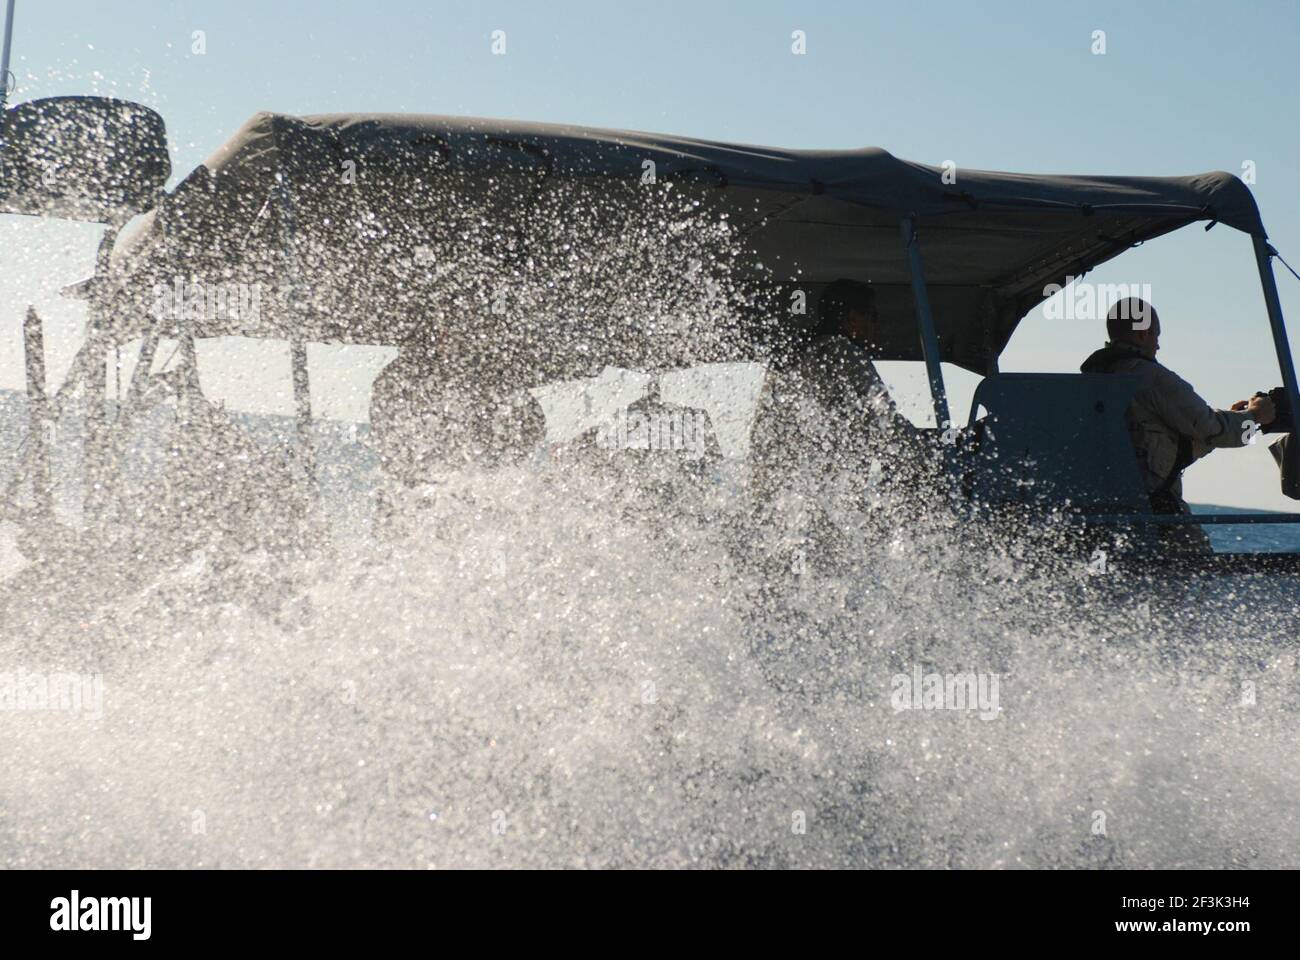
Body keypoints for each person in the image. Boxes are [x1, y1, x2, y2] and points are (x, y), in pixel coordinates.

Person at [1080, 297, 1274, 523]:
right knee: (1197, 559)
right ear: (1143, 334)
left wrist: (1234, 418)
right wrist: (1255, 417)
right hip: (1154, 512)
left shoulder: (1092, 380)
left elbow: (1168, 445)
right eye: (1156, 335)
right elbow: (1210, 429)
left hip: (1102, 510)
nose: (1158, 345)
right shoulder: (1151, 379)